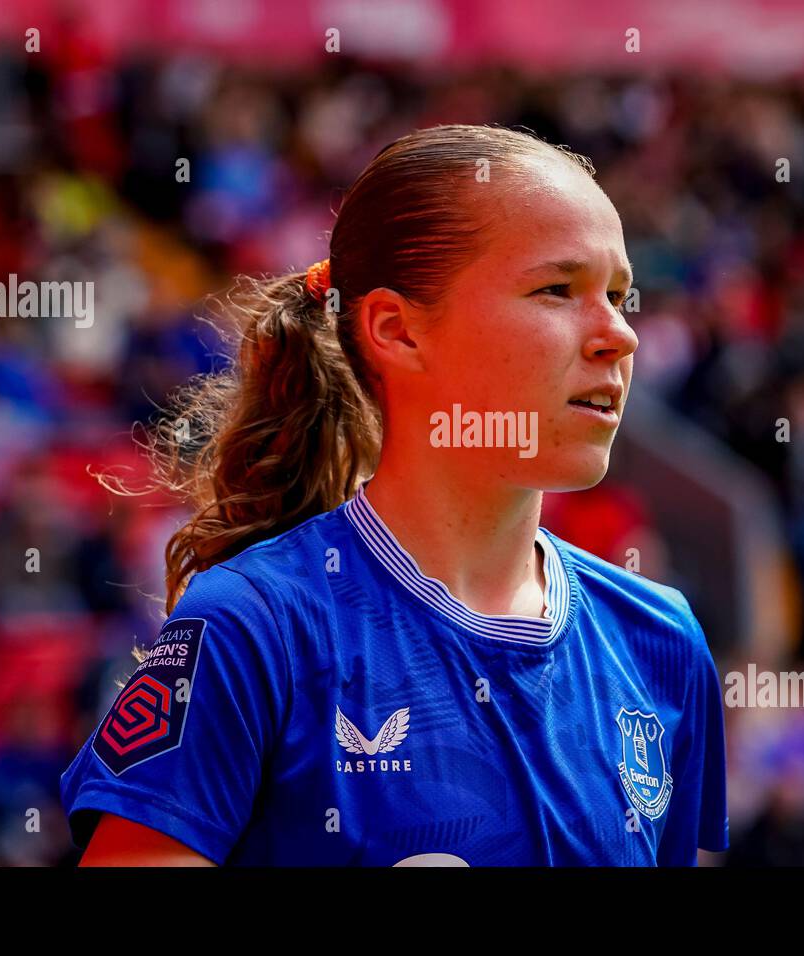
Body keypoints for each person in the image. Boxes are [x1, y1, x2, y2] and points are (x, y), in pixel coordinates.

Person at [59, 123, 728, 866]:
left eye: (619, 295)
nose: (618, 336)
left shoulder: (662, 640)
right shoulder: (253, 627)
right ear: (396, 330)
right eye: (556, 290)